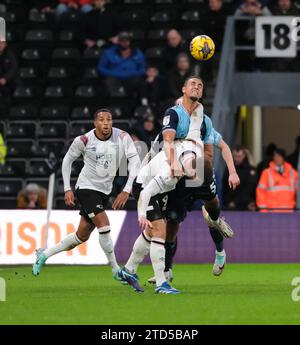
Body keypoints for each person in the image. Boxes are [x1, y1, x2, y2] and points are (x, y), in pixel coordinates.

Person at [146, 77, 239, 284]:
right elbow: (162, 143)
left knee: (211, 212)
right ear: (183, 91)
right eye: (192, 84)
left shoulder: (204, 120)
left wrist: (232, 172)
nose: (196, 87)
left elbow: (222, 146)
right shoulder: (173, 115)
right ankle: (167, 270)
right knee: (173, 223)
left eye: (200, 85)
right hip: (180, 175)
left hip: (199, 171)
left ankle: (220, 251)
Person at [32, 109, 141, 278]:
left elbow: (135, 161)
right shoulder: (84, 140)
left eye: (109, 119)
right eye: (101, 120)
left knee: (81, 236)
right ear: (95, 123)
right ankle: (115, 270)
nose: (106, 123)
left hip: (104, 191)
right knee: (104, 225)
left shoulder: (122, 137)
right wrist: (67, 188)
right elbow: (67, 160)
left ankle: (44, 254)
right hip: (86, 188)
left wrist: (126, 190)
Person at [117, 139, 202, 294]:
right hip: (144, 186)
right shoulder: (168, 174)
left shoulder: (192, 154)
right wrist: (141, 215)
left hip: (156, 188)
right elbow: (145, 192)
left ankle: (129, 269)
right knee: (160, 231)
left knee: (151, 232)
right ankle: (161, 283)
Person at [97, 32, 146, 98]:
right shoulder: (109, 52)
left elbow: (143, 68)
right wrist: (113, 73)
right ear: (118, 41)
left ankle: (134, 101)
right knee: (108, 81)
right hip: (114, 77)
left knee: (138, 81)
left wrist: (134, 73)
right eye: (122, 41)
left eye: (127, 40)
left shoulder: (137, 52)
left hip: (131, 77)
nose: (125, 43)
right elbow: (101, 67)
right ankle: (116, 102)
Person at [222, 145, 257, 211]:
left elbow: (249, 190)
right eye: (235, 156)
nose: (236, 159)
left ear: (244, 156)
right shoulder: (229, 169)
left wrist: (236, 202)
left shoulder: (250, 170)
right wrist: (227, 202)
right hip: (230, 206)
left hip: (245, 206)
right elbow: (225, 187)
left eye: (239, 156)